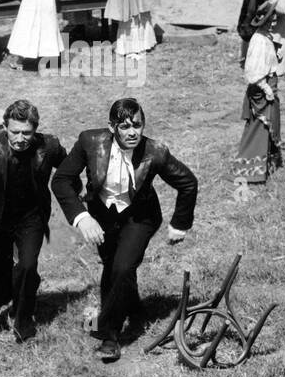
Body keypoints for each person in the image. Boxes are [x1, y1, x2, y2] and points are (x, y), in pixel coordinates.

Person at [52, 98, 198, 363]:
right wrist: (82, 217)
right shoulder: (89, 141)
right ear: (112, 127)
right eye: (125, 126)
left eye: (137, 125)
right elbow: (61, 180)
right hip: (102, 216)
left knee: (120, 268)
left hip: (140, 217)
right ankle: (135, 309)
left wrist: (180, 223)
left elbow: (188, 182)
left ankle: (107, 334)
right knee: (113, 266)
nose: (132, 132)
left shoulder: (156, 151)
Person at [0, 100, 69, 343]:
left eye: (26, 133)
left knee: (27, 265)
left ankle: (23, 322)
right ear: (4, 127)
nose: (20, 138)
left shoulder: (49, 146)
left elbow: (69, 169)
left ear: (35, 129)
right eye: (14, 131)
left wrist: (77, 192)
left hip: (32, 217)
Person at [233, 0, 285, 183]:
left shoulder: (265, 37)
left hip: (268, 85)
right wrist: (266, 89)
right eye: (272, 17)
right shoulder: (259, 41)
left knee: (269, 127)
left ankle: (269, 164)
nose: (274, 20)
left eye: (275, 16)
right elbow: (253, 73)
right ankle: (248, 171)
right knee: (259, 129)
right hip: (262, 90)